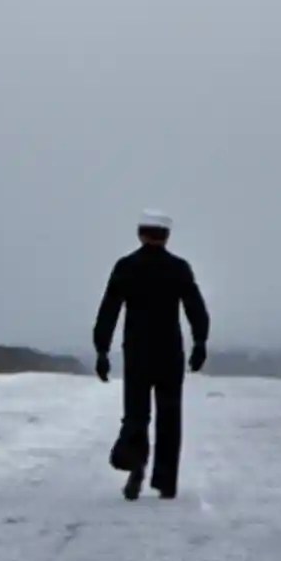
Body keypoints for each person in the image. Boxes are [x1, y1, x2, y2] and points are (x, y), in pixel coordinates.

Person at [93, 209, 210, 501]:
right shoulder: (179, 268)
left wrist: (102, 349)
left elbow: (109, 309)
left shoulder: (126, 266)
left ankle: (136, 468)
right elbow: (196, 307)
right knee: (170, 415)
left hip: (137, 351)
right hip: (170, 350)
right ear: (166, 236)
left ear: (140, 234)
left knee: (136, 413)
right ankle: (166, 482)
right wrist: (200, 342)